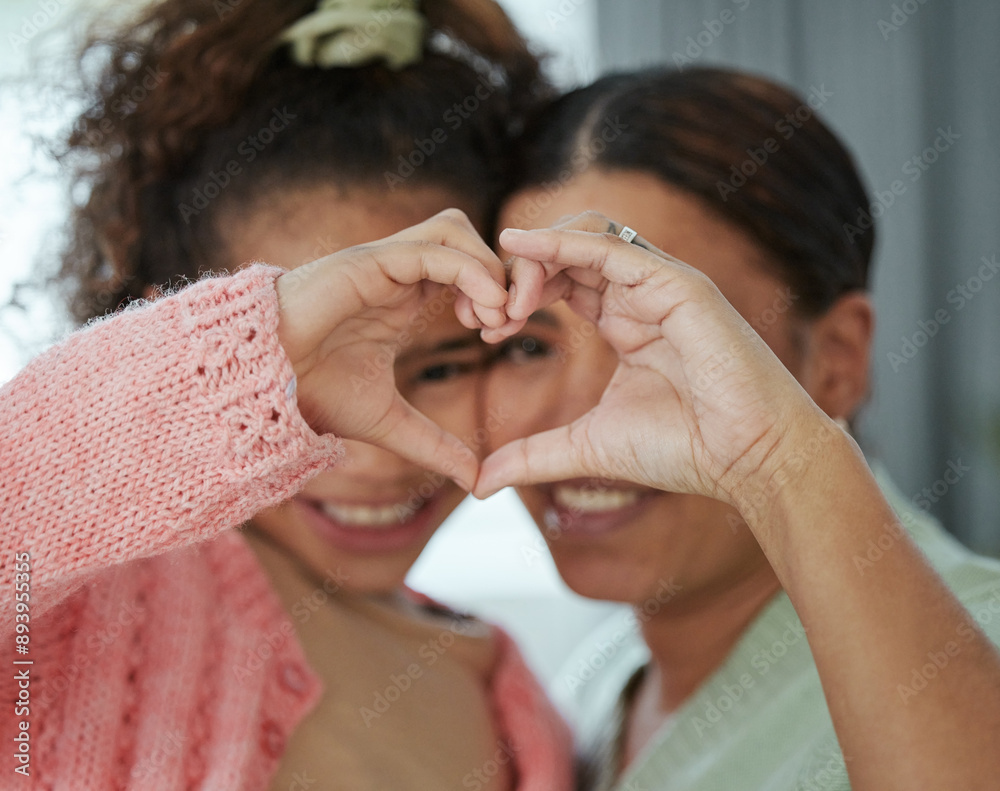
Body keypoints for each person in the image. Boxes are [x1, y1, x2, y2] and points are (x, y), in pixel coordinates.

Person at [1, 1, 573, 789]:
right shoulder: (66, 611)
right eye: (299, 373)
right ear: (179, 346)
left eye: (443, 369)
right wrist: (244, 349)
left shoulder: (516, 708)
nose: (375, 460)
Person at [475, 67, 1000, 790]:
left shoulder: (978, 648)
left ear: (837, 360)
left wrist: (780, 464)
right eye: (529, 347)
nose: (587, 412)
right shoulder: (591, 692)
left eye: (661, 333)